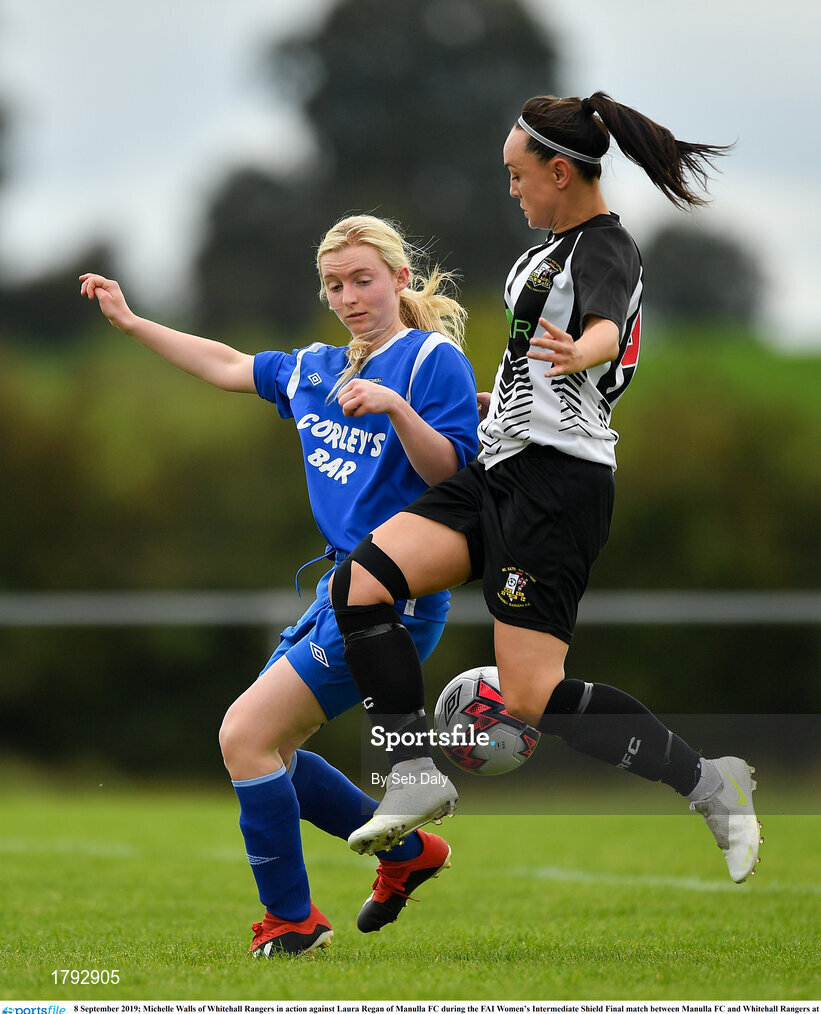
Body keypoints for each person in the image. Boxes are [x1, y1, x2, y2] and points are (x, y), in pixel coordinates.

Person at [330, 93, 763, 885]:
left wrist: (583, 353)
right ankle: (411, 772)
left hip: (558, 489)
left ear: (559, 172)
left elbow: (601, 325)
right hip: (499, 467)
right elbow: (529, 364)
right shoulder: (542, 255)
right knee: (361, 583)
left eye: (516, 174)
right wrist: (497, 402)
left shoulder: (605, 248)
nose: (510, 187)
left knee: (531, 699)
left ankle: (710, 783)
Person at [79, 214, 480, 956]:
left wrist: (393, 408)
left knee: (245, 738)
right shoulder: (315, 369)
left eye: (363, 278)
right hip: (339, 593)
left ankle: (293, 923)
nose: (349, 295)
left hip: (392, 597)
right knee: (268, 751)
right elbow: (226, 362)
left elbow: (456, 479)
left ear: (397, 278)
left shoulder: (429, 362)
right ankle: (403, 855)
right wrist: (133, 323)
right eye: (335, 284)